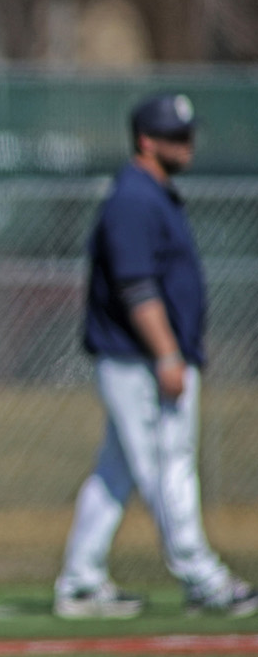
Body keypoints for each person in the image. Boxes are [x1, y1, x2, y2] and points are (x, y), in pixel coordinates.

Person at [54, 93, 257, 620]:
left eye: (188, 135)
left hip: (148, 360)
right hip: (138, 362)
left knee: (115, 473)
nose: (187, 145)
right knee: (166, 466)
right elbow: (136, 286)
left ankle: (80, 578)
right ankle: (202, 576)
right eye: (176, 136)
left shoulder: (155, 195)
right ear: (147, 141)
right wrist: (168, 354)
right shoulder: (133, 200)